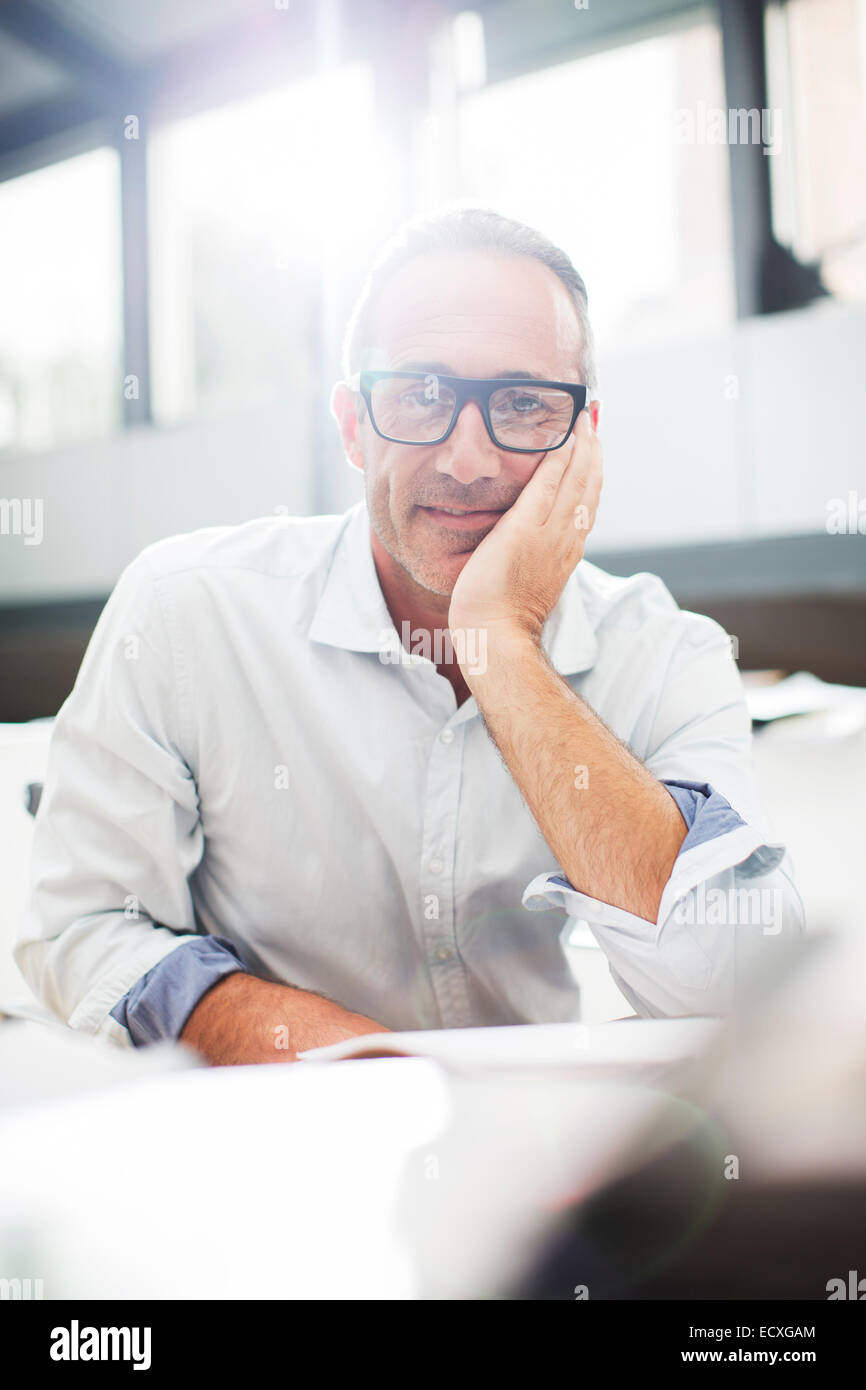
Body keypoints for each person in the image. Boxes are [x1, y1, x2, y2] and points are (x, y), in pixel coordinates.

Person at [16, 207, 804, 1064]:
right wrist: (341, 1056)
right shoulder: (182, 613)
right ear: (354, 425)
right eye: (421, 395)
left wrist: (502, 643)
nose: (468, 460)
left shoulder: (668, 654)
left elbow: (738, 985)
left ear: (584, 439)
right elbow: (83, 932)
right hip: (258, 1131)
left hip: (534, 1162)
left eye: (523, 403)